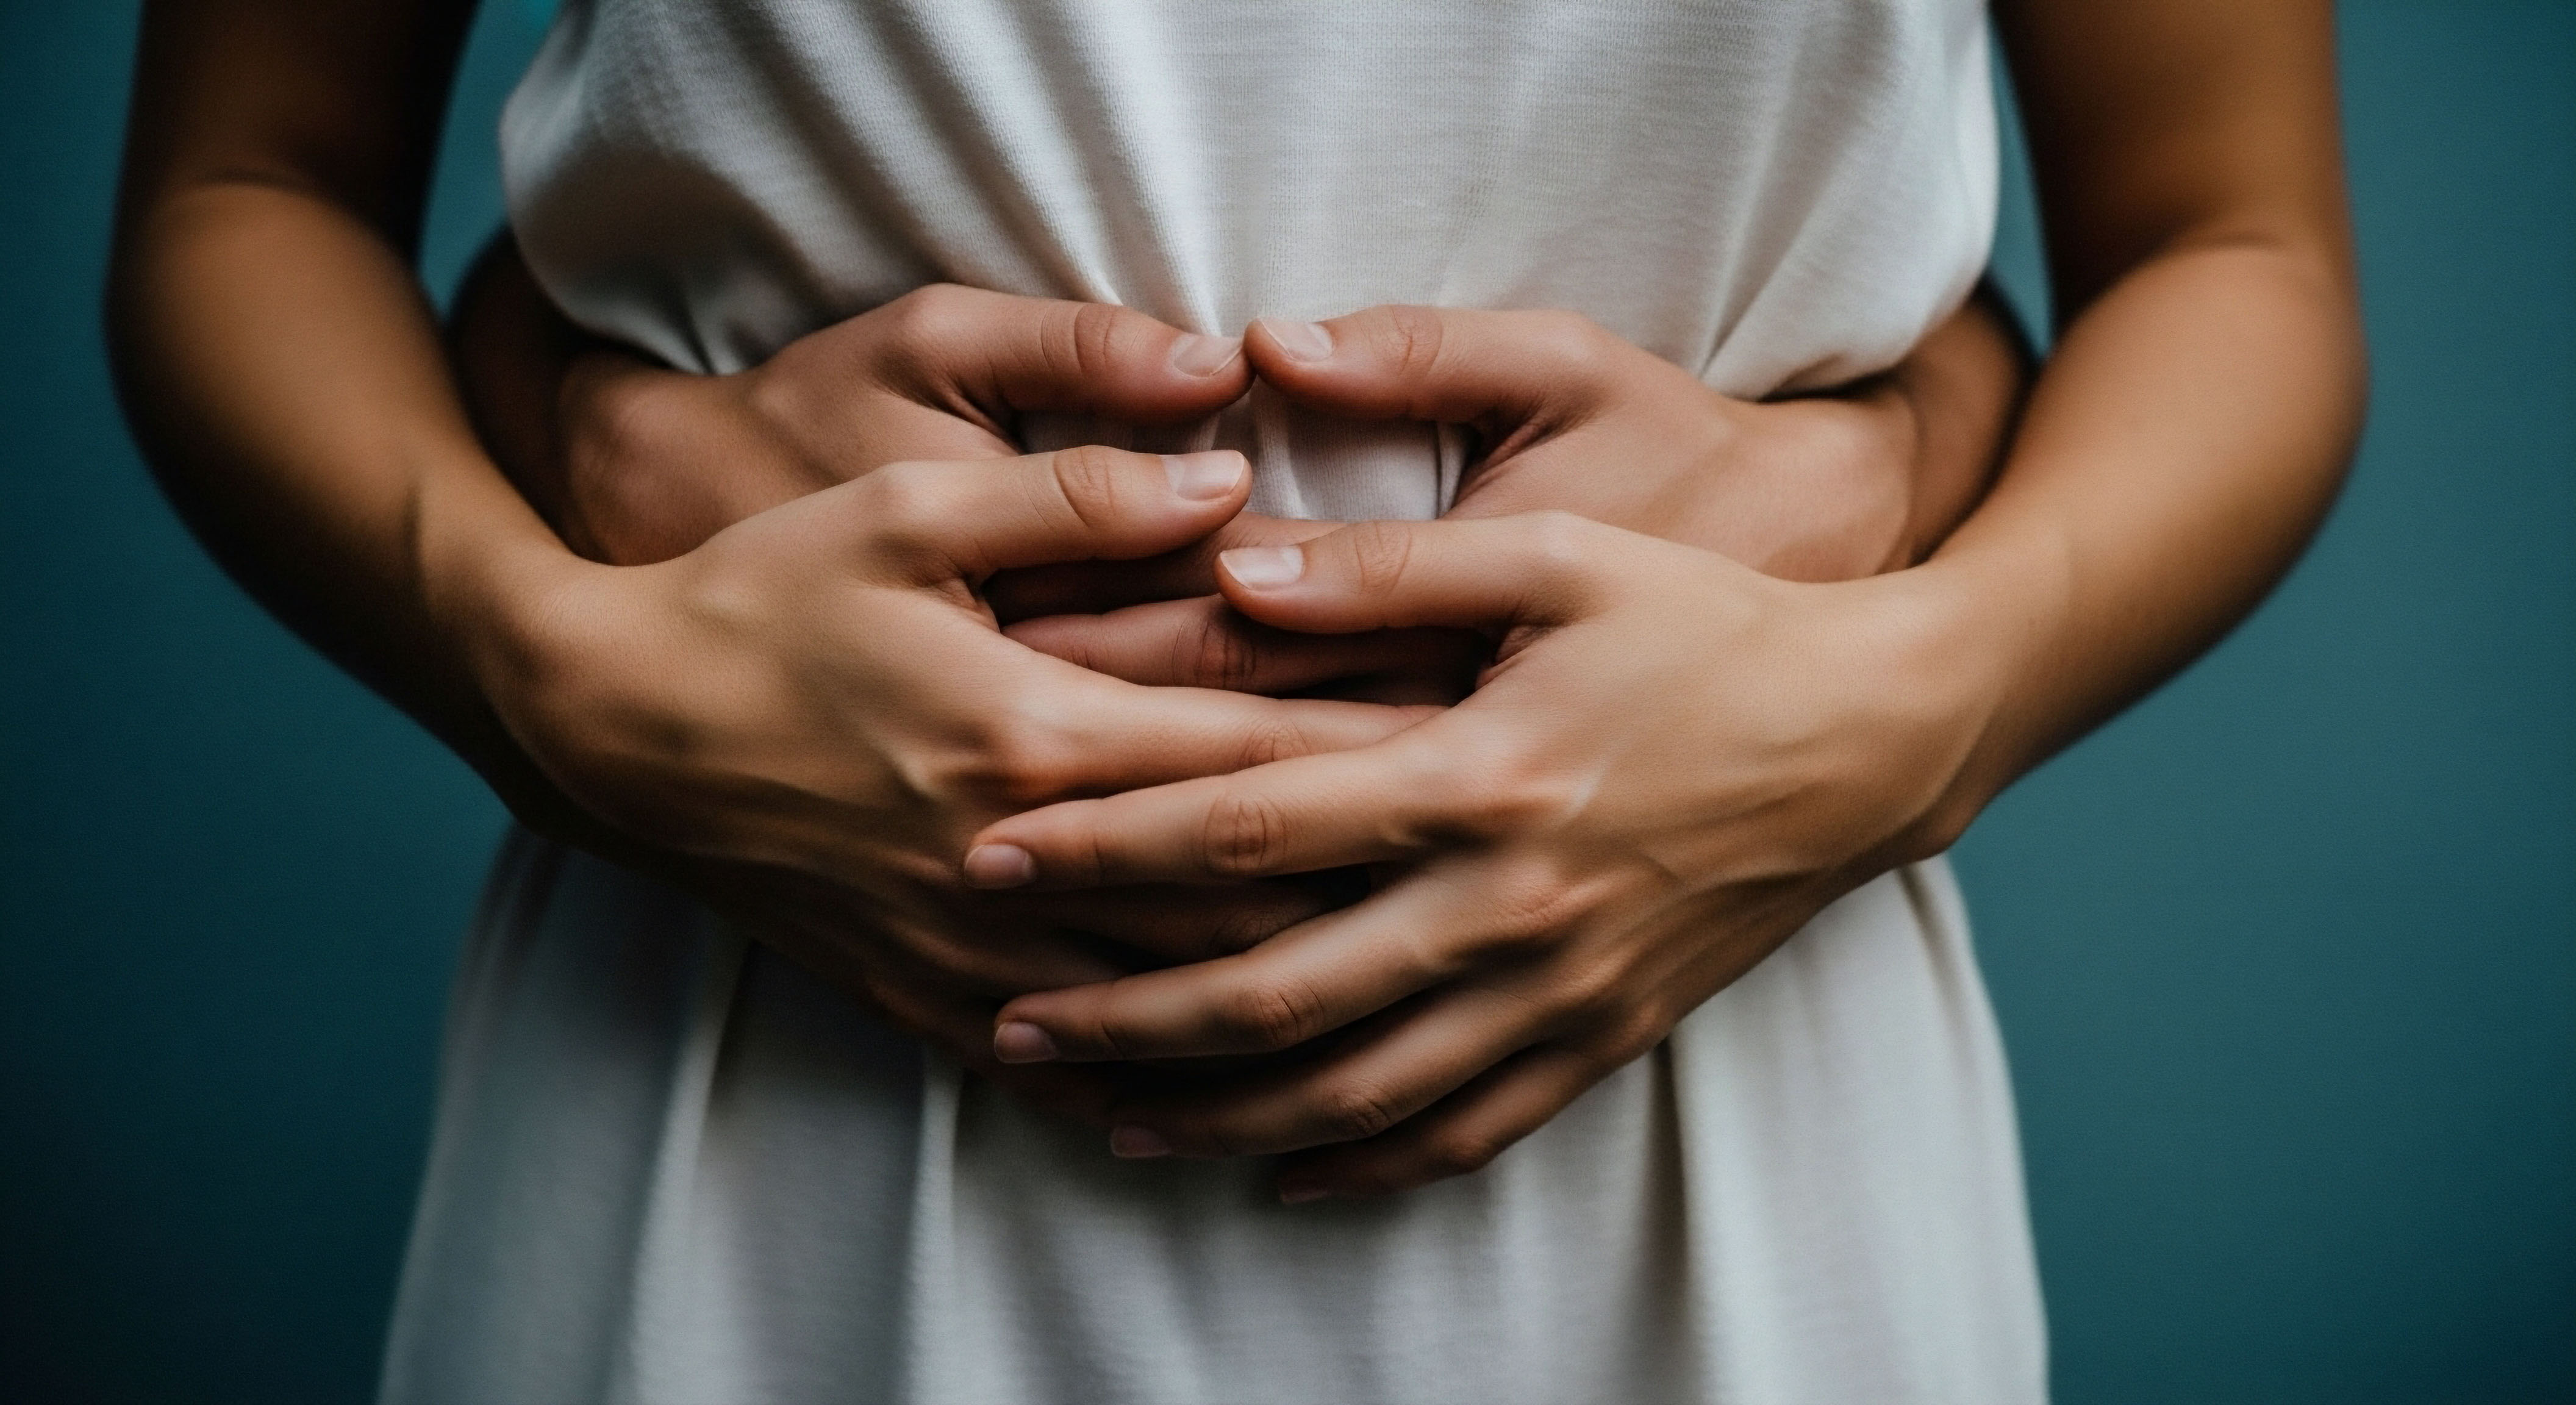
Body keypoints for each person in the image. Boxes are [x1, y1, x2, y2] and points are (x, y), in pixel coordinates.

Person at [106, 2, 2363, 1402]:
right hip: (759, 1111)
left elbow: (2231, 244)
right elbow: (247, 182)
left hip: (1715, 1105)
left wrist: (1930, 684)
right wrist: (545, 655)